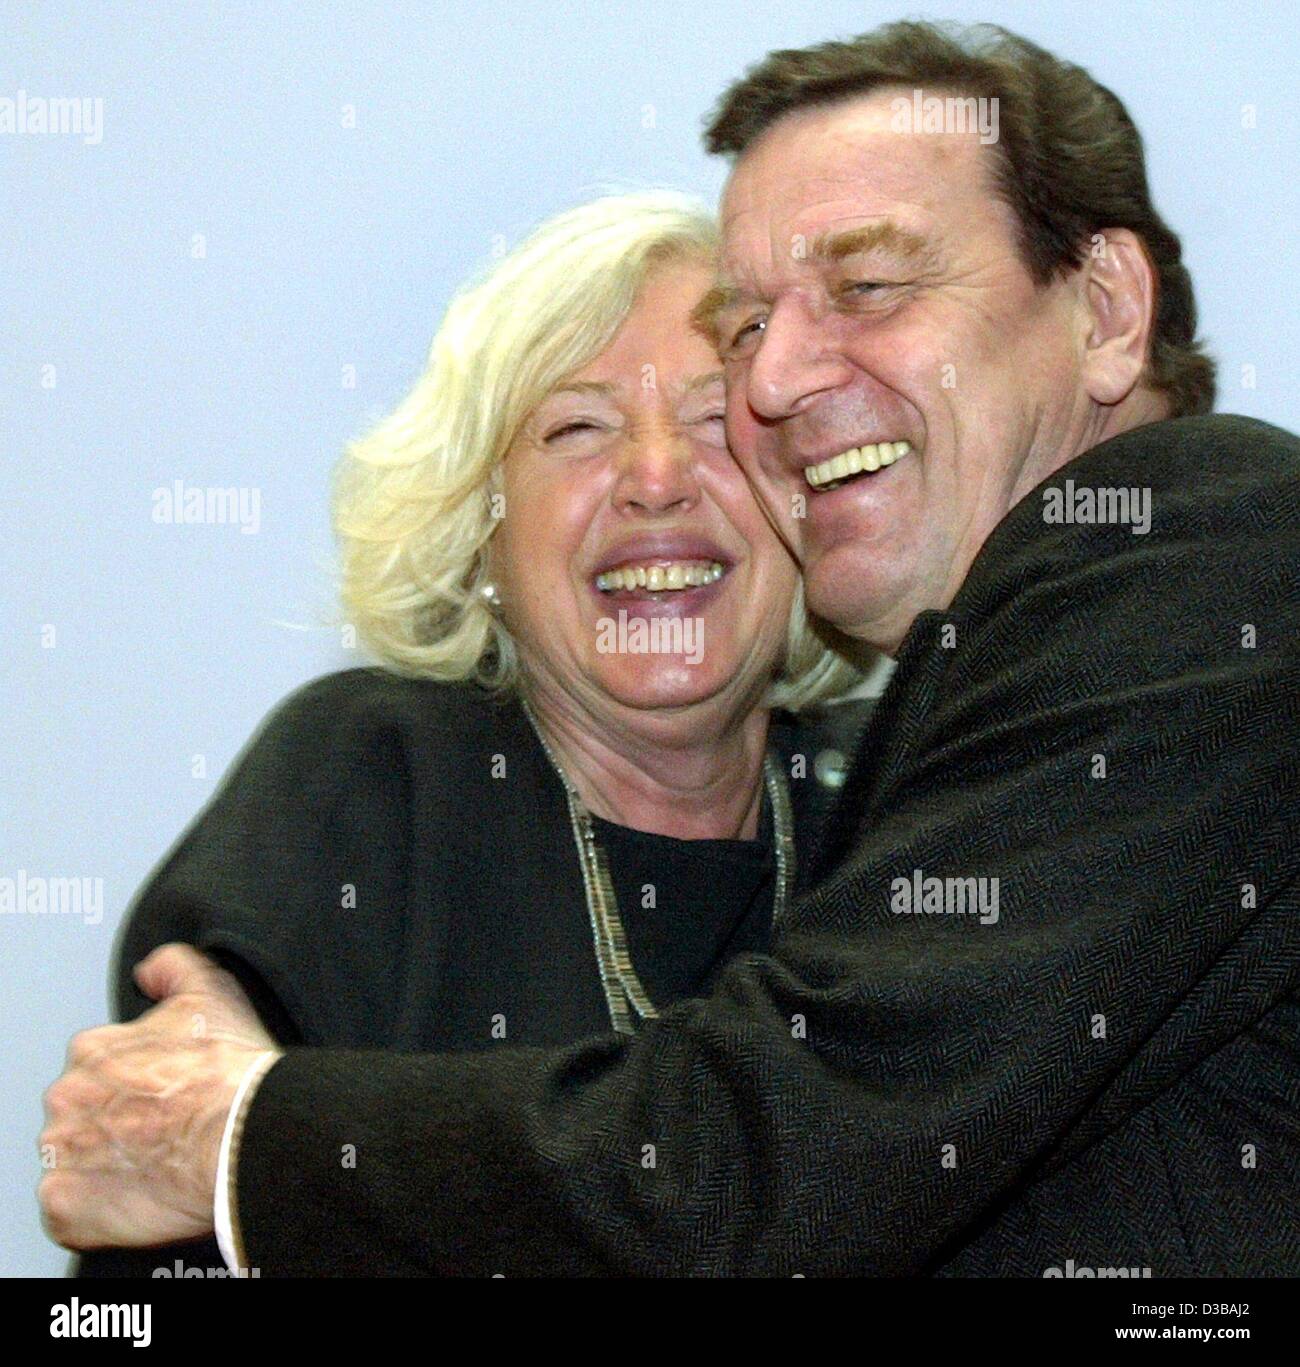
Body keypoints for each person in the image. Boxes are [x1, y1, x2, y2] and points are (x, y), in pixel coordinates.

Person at [42, 21, 1299, 1276]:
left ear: (1108, 310)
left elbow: (773, 1167)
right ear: (478, 518)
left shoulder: (1197, 536)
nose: (777, 381)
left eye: (866, 286)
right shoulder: (374, 776)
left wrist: (237, 1141)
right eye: (746, 328)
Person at [59, 192, 868, 1276]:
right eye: (578, 426)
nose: (658, 476)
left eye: (717, 419)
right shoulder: (370, 784)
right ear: (480, 531)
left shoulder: (898, 788)